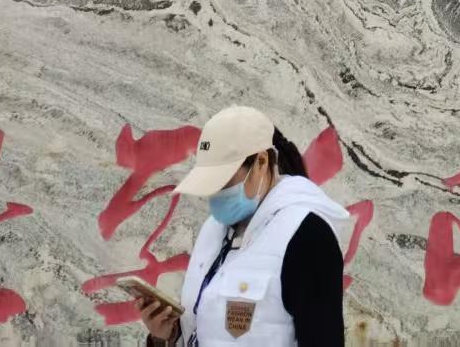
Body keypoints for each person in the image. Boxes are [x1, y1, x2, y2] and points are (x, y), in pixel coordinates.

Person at [136, 104, 348, 347]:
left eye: (223, 180)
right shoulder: (213, 230)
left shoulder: (306, 235)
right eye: (209, 183)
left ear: (261, 162)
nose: (215, 192)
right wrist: (168, 336)